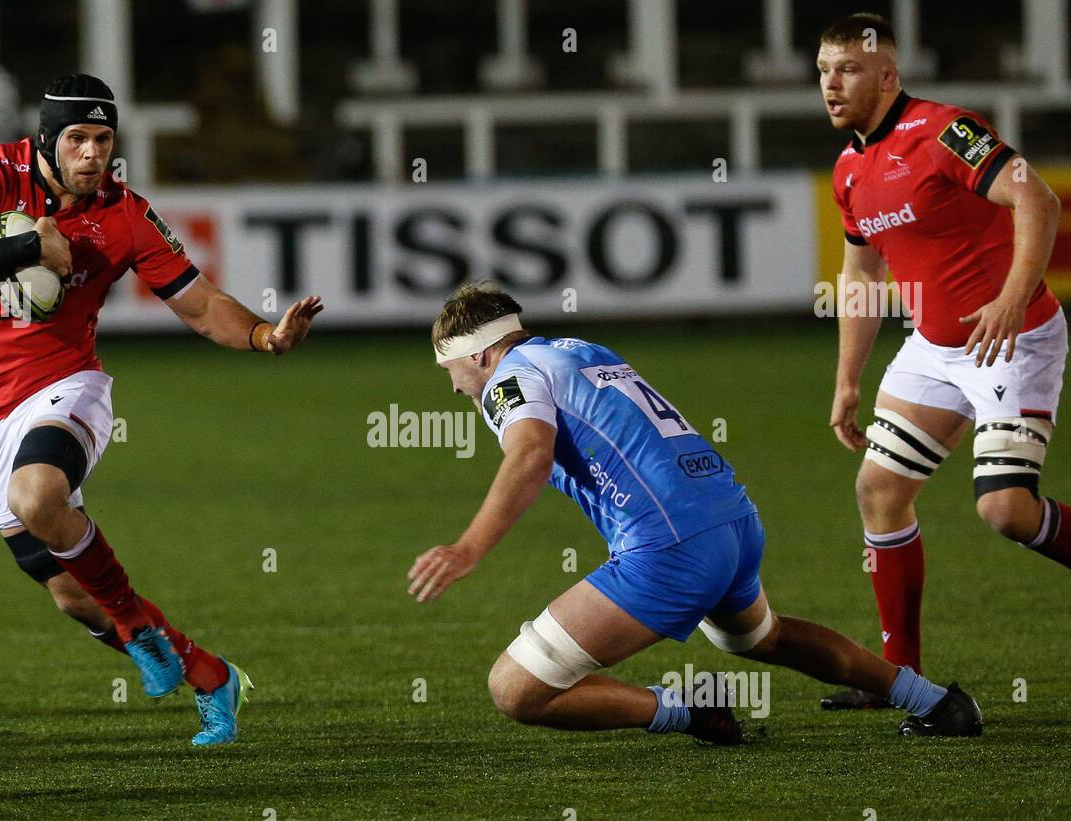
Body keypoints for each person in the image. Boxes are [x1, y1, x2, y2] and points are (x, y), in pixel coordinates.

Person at [0, 74, 322, 744]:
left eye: (103, 139)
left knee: (38, 494)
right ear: (47, 139)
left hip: (67, 388)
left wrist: (262, 336)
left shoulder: (123, 213)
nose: (92, 153)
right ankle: (215, 676)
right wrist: (29, 248)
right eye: (77, 138)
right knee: (74, 596)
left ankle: (133, 621)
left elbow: (199, 302)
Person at [407, 281, 982, 742]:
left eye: (450, 372)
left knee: (515, 690)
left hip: (670, 546)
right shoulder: (578, 350)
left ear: (479, 355)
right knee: (761, 639)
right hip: (731, 518)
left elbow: (530, 454)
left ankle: (687, 713)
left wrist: (468, 547)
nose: (455, 389)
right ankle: (935, 702)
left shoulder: (509, 377)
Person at [819, 13, 1068, 708]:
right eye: (823, 71)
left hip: (1012, 340)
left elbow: (1037, 198)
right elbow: (862, 276)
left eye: (847, 70)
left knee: (1007, 513)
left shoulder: (945, 131)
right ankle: (898, 678)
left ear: (887, 74)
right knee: (879, 489)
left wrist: (1014, 299)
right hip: (934, 349)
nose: (831, 85)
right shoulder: (849, 169)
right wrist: (847, 379)